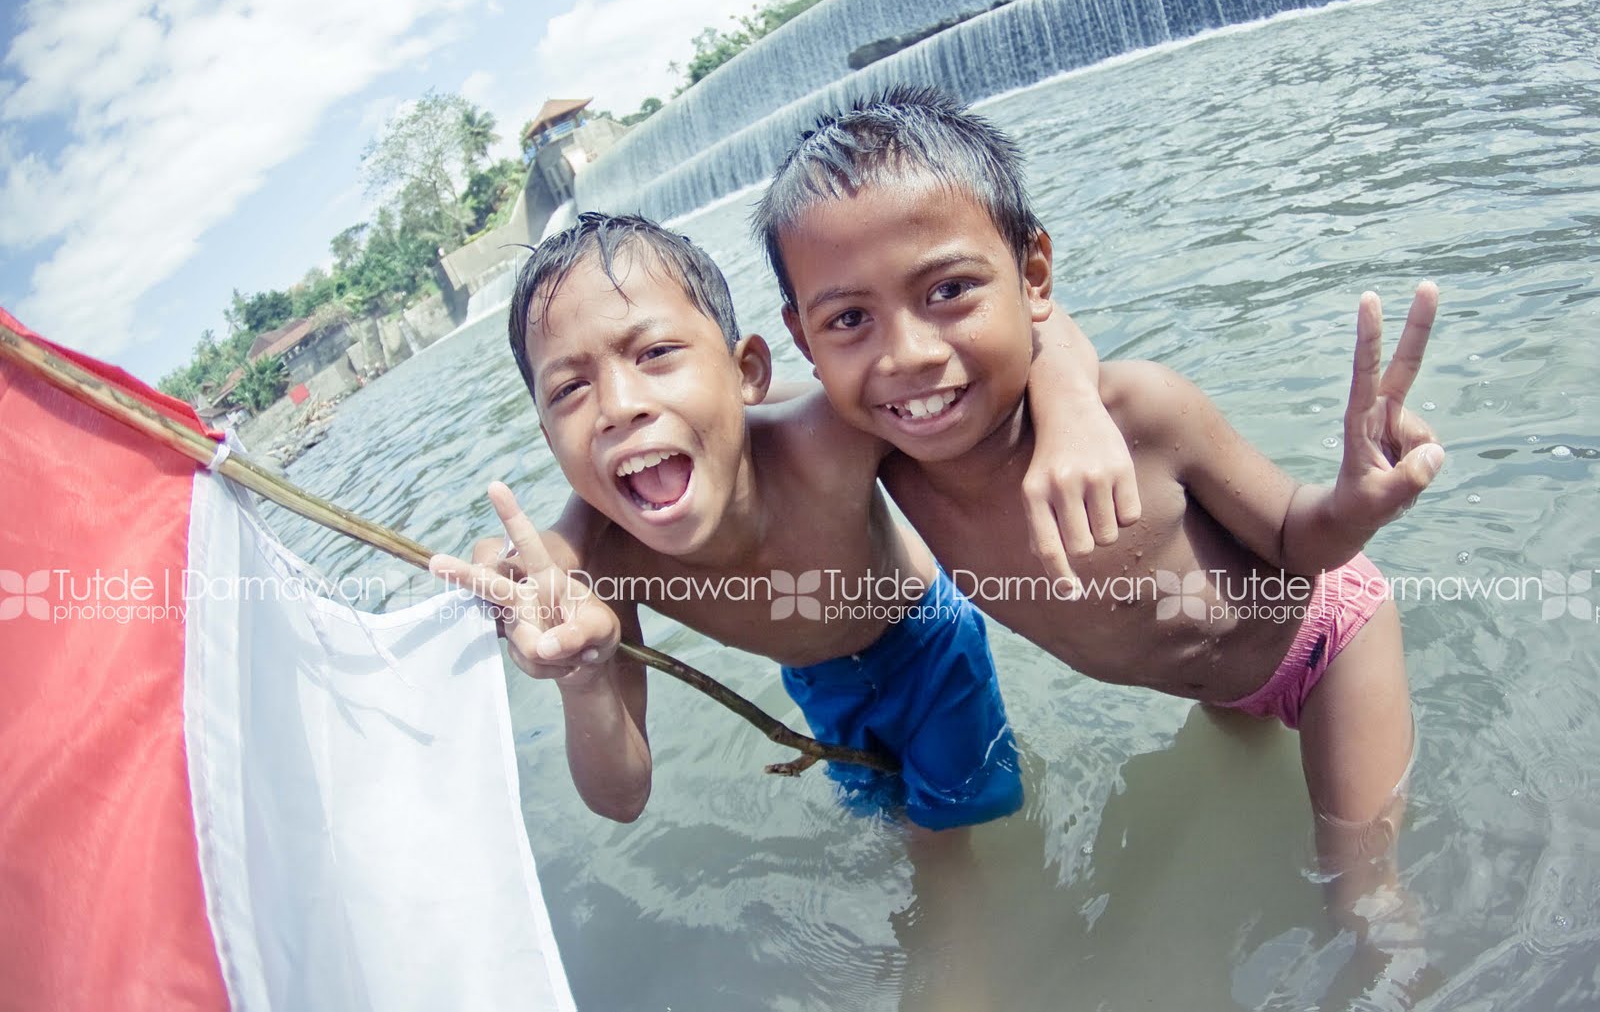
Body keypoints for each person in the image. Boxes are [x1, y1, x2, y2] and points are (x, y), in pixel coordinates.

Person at [755, 86, 1443, 960]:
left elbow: (1293, 540)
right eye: (849, 318)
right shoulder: (872, 444)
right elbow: (721, 428)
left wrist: (1352, 502)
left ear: (1033, 276)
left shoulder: (1142, 411)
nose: (908, 354)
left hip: (1328, 644)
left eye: (950, 290)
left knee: (1361, 898)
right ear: (803, 338)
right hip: (1221, 684)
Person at [430, 213, 1136, 1008]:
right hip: (818, 686)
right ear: (548, 435)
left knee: (945, 852)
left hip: (928, 646)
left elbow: (1029, 330)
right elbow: (622, 796)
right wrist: (582, 674)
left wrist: (1074, 405)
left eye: (656, 352)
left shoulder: (827, 436)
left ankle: (968, 981)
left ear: (748, 371)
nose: (619, 405)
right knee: (886, 819)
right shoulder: (597, 565)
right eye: (569, 387)